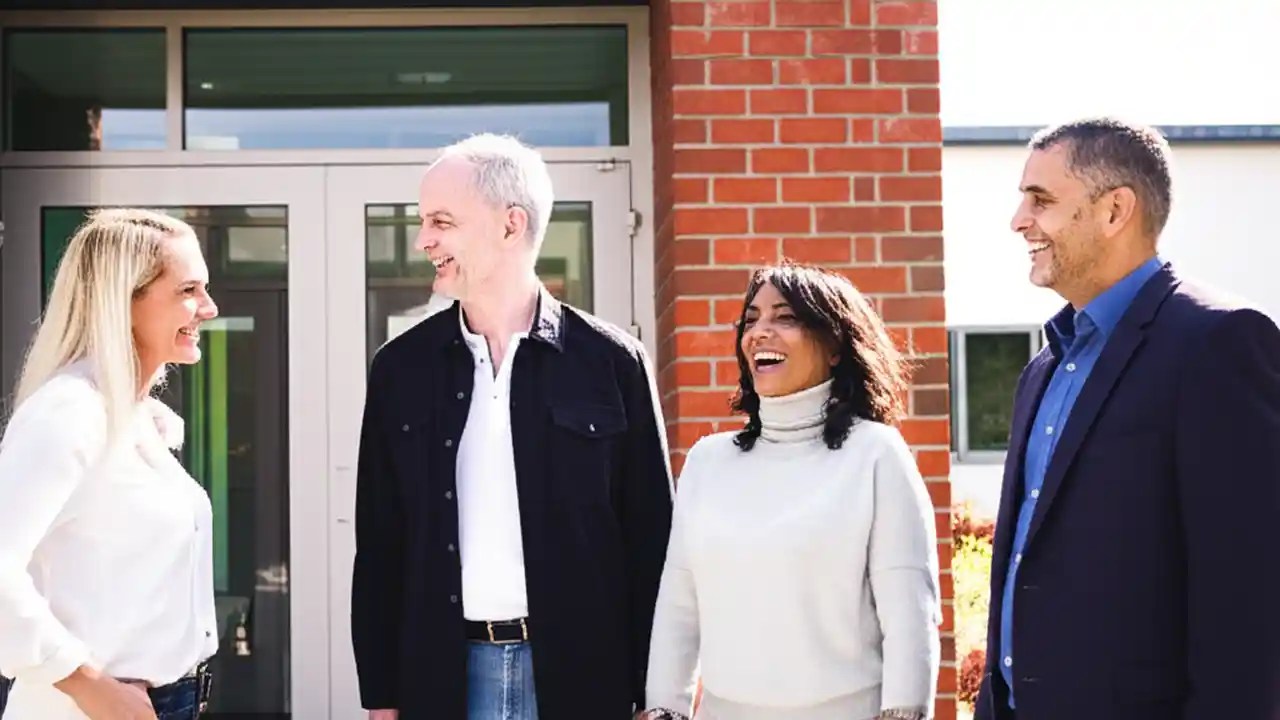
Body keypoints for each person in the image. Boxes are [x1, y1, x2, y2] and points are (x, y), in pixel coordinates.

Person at [350, 134, 674, 720]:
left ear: (510, 224)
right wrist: (381, 697)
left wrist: (658, 692)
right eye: (425, 223)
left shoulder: (613, 363)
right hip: (440, 680)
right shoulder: (399, 370)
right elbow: (379, 543)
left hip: (584, 679)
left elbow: (652, 540)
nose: (424, 241)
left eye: (441, 222)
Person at [975, 117, 1280, 720]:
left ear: (1115, 210)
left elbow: (1250, 600)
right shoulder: (1042, 368)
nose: (1018, 221)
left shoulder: (1219, 343)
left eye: (1041, 200)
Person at [643, 262, 942, 720]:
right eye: (751, 320)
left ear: (836, 344)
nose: (760, 333)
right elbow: (678, 611)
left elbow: (909, 620)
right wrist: (665, 710)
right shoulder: (707, 462)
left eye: (785, 318)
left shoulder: (876, 455)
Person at [0, 208, 220, 719]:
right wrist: (89, 686)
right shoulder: (69, 412)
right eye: (188, 290)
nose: (208, 308)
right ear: (122, 301)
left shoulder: (139, 419)